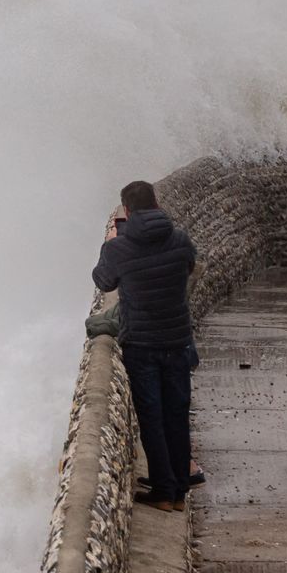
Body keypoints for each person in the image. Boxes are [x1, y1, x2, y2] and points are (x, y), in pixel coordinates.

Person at [91, 179, 196, 510]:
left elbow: (104, 280)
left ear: (126, 209)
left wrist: (109, 243)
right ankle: (179, 491)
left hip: (142, 343)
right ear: (157, 203)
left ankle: (163, 491)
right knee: (177, 414)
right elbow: (188, 266)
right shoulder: (179, 239)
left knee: (152, 416)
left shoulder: (118, 248)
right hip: (177, 339)